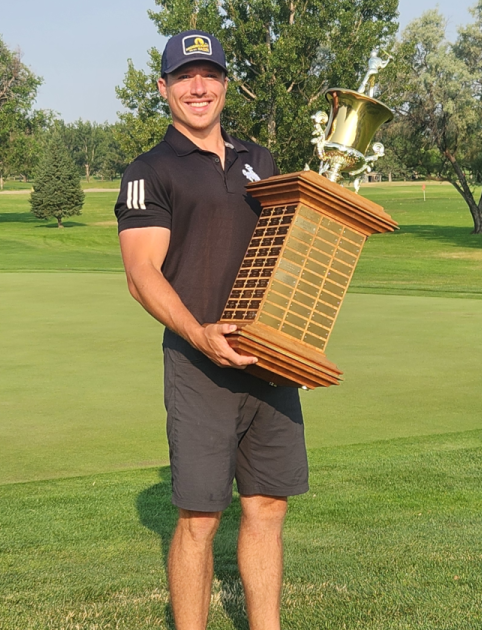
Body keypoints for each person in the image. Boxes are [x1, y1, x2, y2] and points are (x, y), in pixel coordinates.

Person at [114, 30, 308, 630]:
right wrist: (200, 335)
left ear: (225, 84)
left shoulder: (261, 161)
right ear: (164, 87)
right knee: (201, 518)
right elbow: (141, 275)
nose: (198, 88)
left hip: (268, 361)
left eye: (210, 76)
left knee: (268, 506)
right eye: (184, 77)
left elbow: (283, 254)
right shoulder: (149, 170)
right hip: (199, 366)